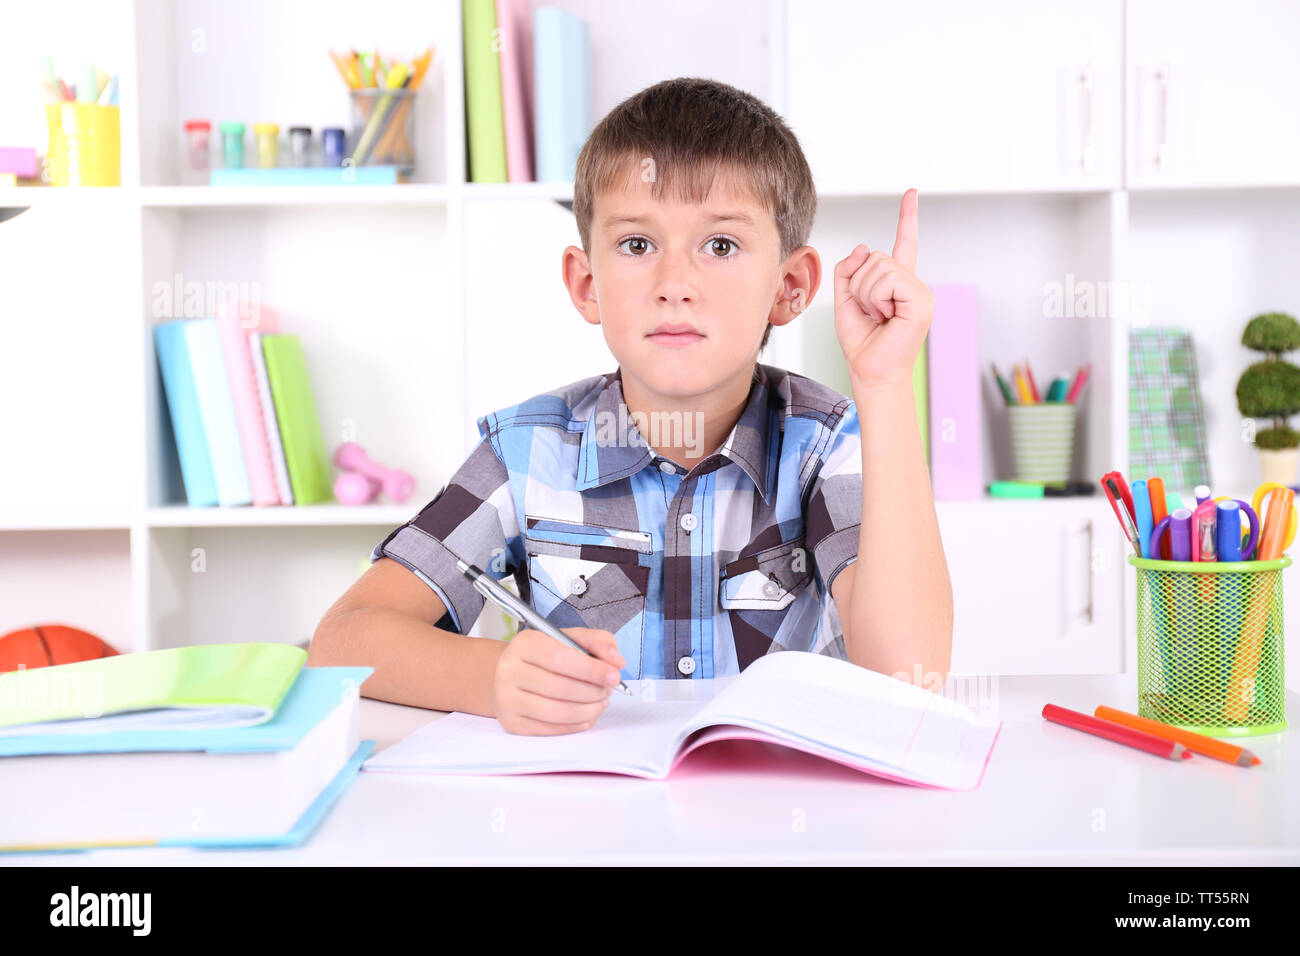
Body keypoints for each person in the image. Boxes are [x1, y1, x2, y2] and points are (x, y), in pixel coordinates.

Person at [309, 77, 952, 735]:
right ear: (587, 284)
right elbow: (342, 641)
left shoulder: (825, 443)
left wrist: (885, 384)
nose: (675, 285)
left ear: (789, 287)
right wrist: (493, 678)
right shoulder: (526, 452)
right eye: (638, 245)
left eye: (720, 246)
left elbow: (906, 676)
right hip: (592, 825)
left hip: (773, 826)